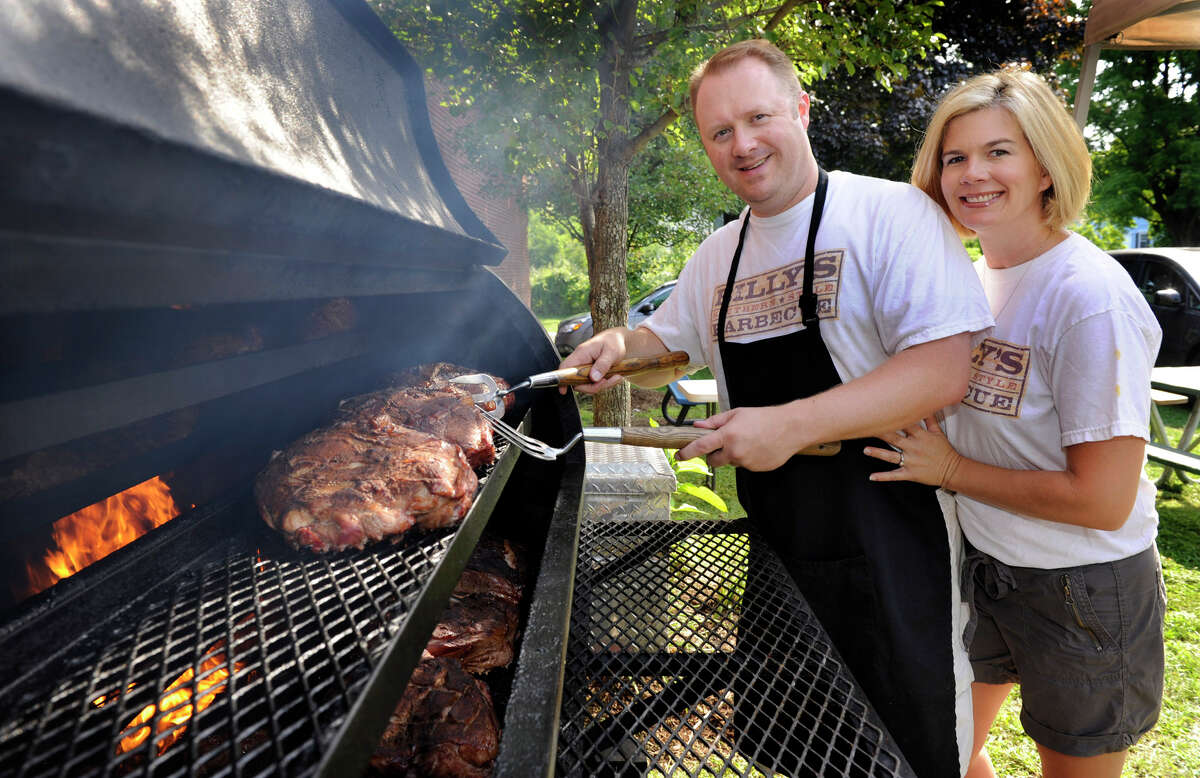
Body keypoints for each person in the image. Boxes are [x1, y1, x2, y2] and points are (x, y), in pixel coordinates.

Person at [562, 38, 993, 777]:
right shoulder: (719, 254)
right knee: (807, 753)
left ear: (800, 109)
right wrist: (618, 348)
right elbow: (667, 345)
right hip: (782, 546)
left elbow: (944, 369)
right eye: (720, 131)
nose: (742, 144)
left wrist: (787, 426)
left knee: (912, 752)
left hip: (893, 539)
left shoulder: (891, 215)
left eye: (758, 117)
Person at [867, 66, 1166, 778]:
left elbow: (1103, 500)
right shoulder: (972, 281)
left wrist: (950, 469)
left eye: (998, 151)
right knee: (949, 749)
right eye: (955, 157)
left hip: (1082, 585)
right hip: (986, 566)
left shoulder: (1088, 296)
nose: (973, 173)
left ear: (1045, 167)